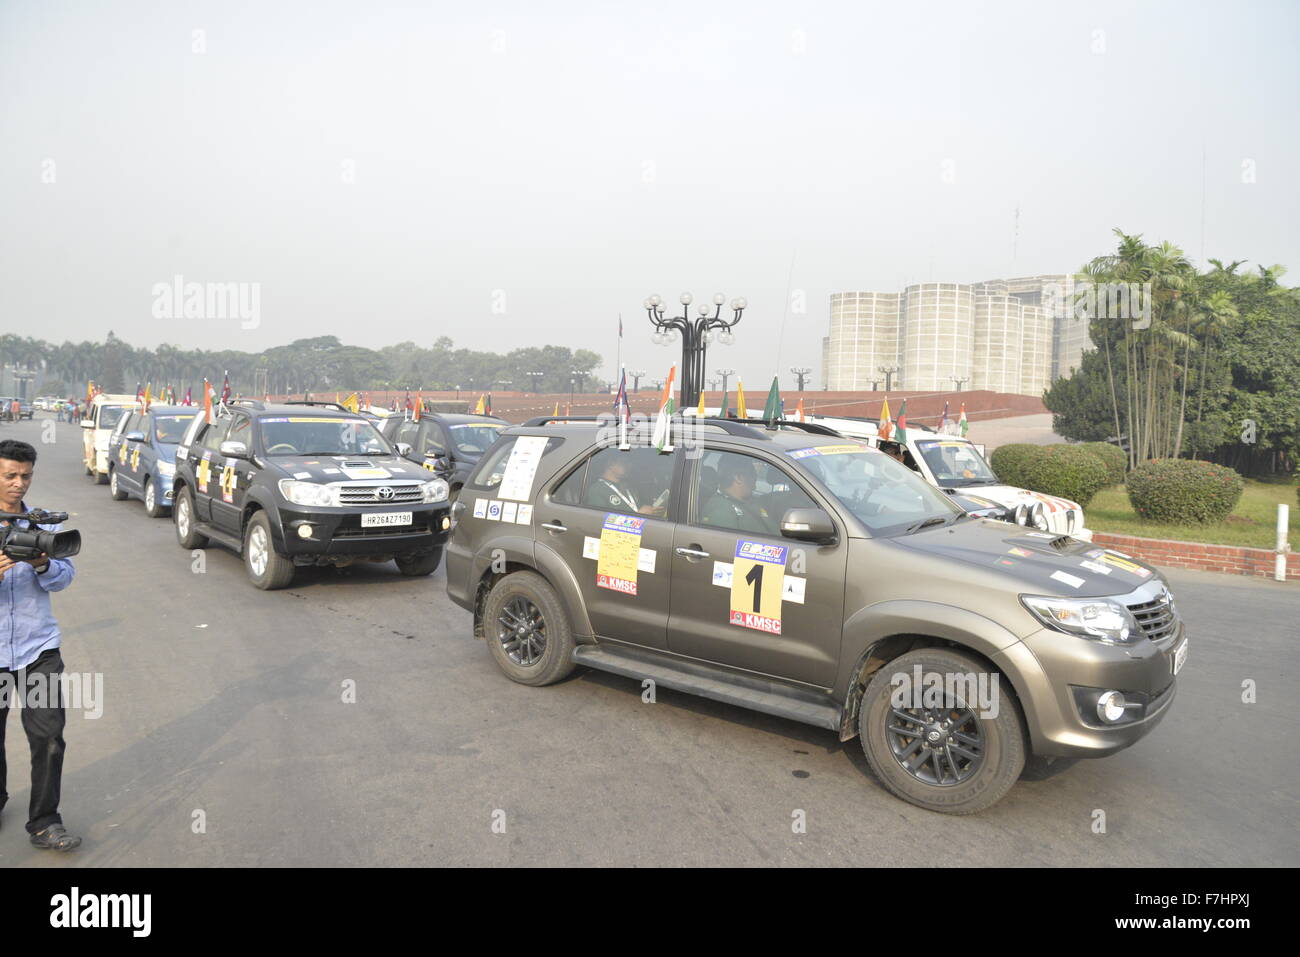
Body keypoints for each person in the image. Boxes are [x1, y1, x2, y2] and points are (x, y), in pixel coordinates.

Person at [0, 439, 80, 851]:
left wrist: (42, 563)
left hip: (38, 649)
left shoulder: (42, 522)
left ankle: (45, 821)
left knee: (49, 737)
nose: (19, 484)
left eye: (26, 475)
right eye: (10, 475)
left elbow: (66, 578)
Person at [701, 458, 775, 532]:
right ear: (738, 478)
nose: (756, 476)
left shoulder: (746, 502)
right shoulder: (722, 513)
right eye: (752, 472)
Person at [584, 453, 667, 516]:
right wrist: (639, 514)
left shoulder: (628, 487)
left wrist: (651, 511)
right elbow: (599, 521)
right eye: (625, 462)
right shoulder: (597, 489)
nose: (630, 466)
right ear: (611, 464)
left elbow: (636, 507)